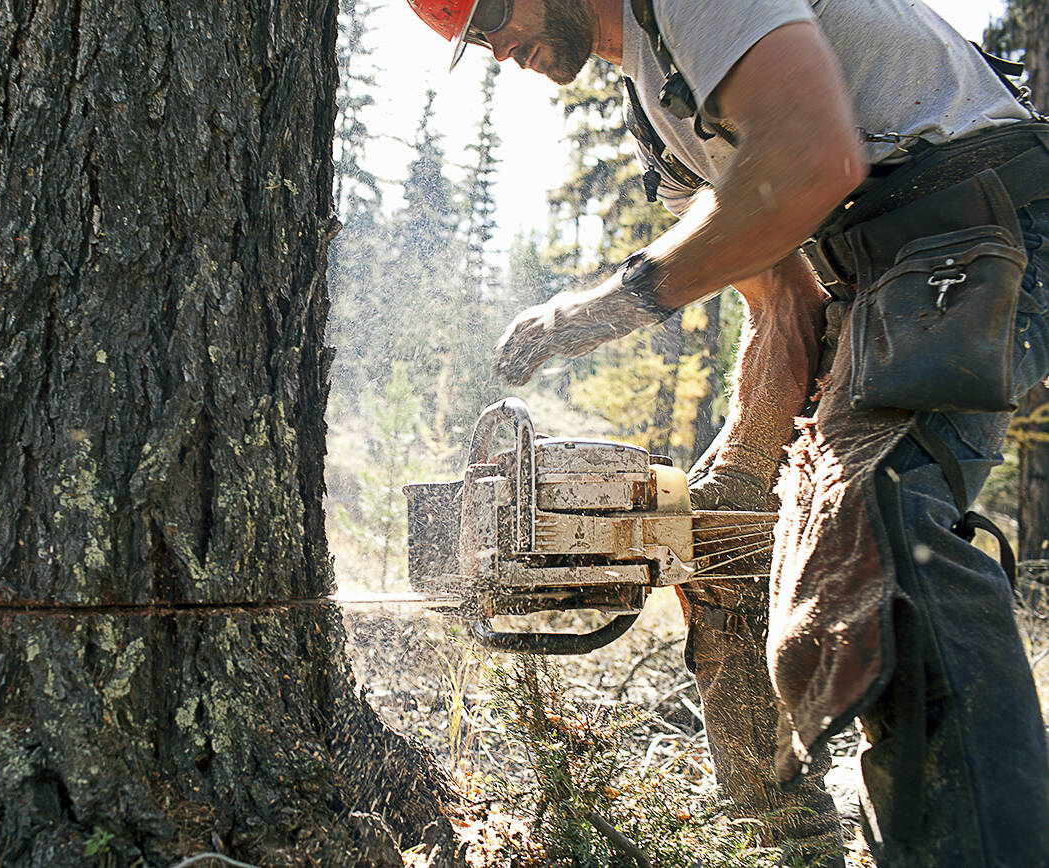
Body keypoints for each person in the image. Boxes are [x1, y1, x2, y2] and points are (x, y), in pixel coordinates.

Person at [406, 1, 1049, 865]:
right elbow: (784, 299)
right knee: (732, 547)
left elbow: (813, 159)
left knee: (882, 532)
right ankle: (793, 839)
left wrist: (603, 306)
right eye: (473, 43)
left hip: (980, 224)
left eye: (491, 16)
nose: (495, 48)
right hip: (878, 276)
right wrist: (736, 485)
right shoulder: (652, 108)